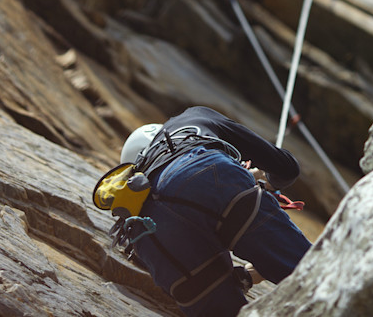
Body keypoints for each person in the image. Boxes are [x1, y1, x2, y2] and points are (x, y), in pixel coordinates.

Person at [112, 106, 312, 317]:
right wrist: (265, 181)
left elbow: (187, 242)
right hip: (200, 172)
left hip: (150, 233)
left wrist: (247, 276)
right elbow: (287, 168)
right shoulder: (193, 118)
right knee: (317, 279)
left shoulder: (136, 197)